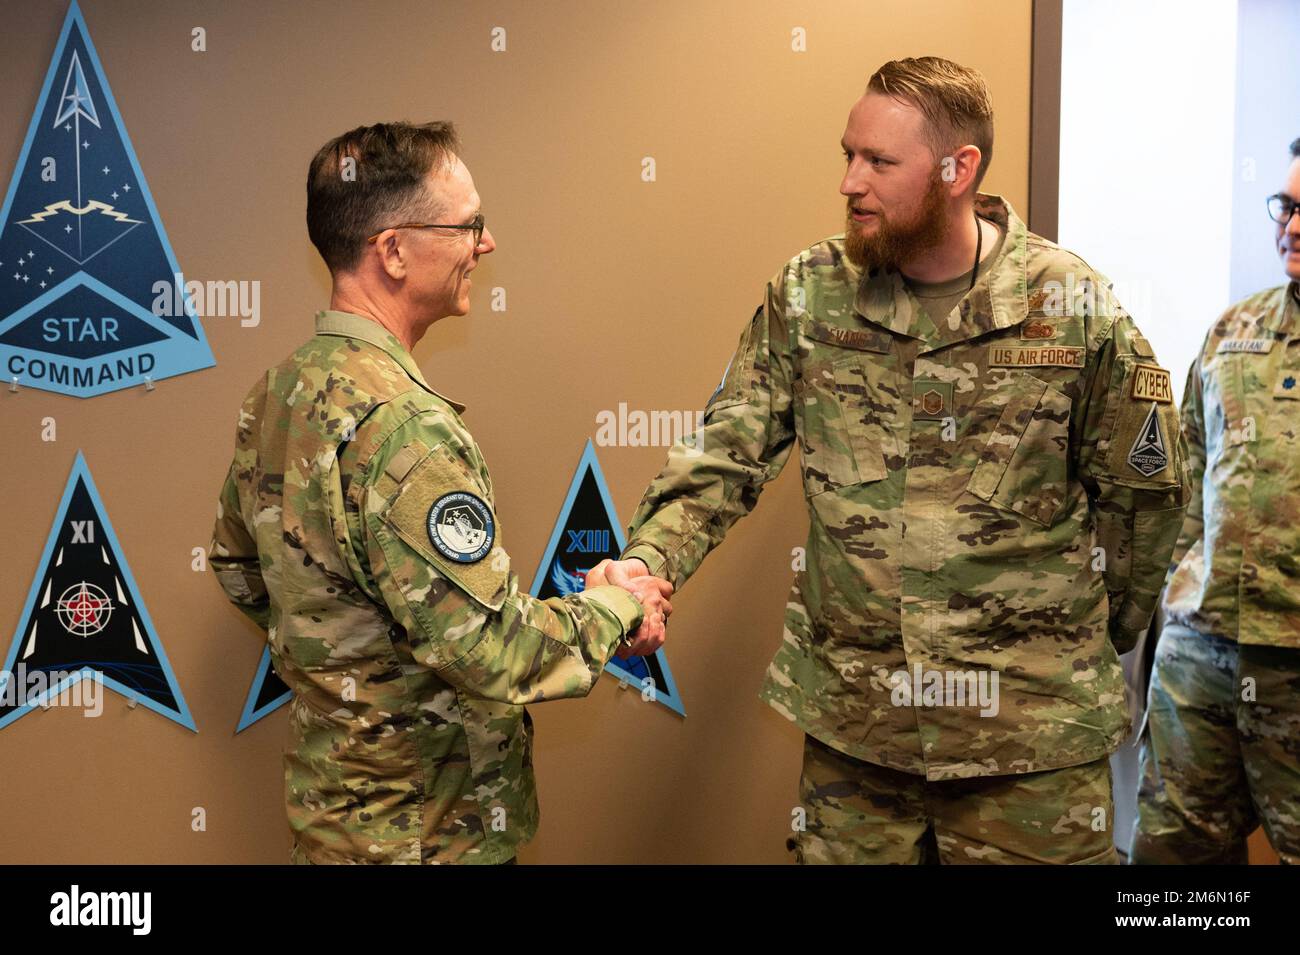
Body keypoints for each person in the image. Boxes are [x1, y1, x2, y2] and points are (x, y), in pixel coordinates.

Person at [593, 57, 1188, 864]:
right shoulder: (811, 295)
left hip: (1029, 752)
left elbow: (1145, 497)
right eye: (847, 155)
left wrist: (1074, 643)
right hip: (859, 739)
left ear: (958, 169)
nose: (850, 182)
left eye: (878, 161)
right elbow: (724, 454)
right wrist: (645, 560)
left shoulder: (1070, 305)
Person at [208, 121, 673, 864]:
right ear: (393, 250)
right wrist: (620, 604)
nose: (484, 246)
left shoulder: (280, 393)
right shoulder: (405, 428)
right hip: (426, 835)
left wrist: (353, 665)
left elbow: (238, 569)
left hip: (335, 824)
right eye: (469, 226)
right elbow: (491, 649)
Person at [1130, 137, 1300, 865]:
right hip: (1202, 656)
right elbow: (1187, 475)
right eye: (1287, 206)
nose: (1291, 226)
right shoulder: (1234, 332)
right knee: (1176, 862)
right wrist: (1170, 603)